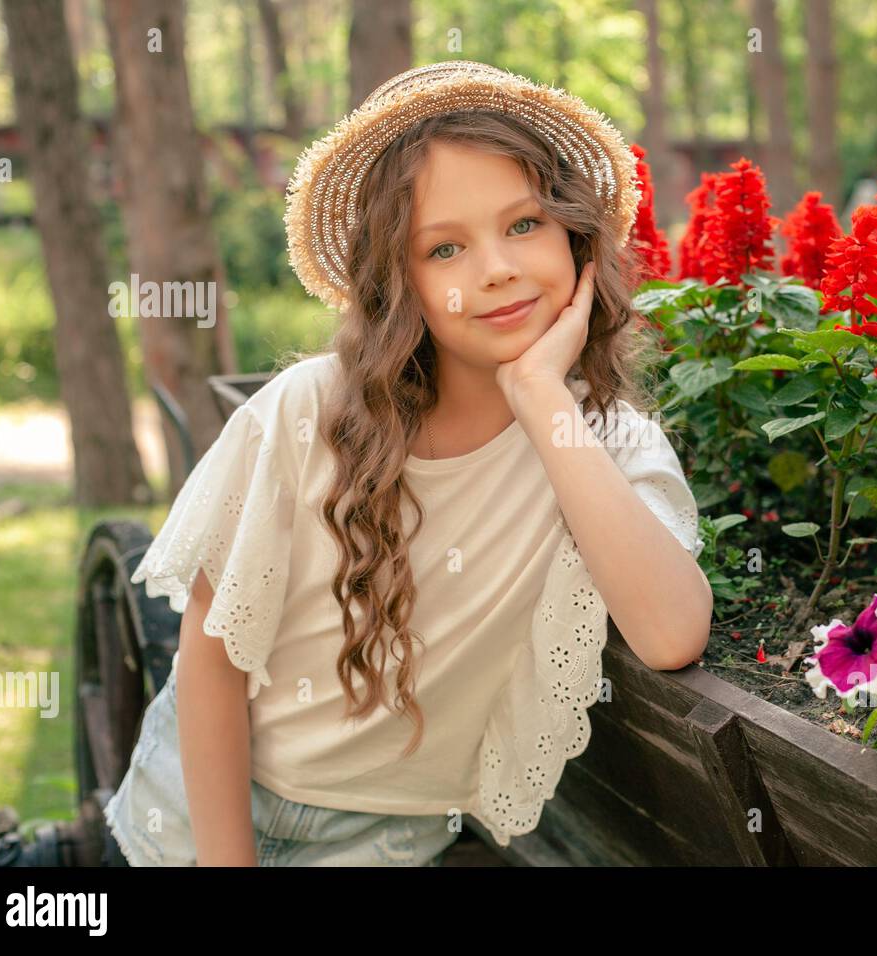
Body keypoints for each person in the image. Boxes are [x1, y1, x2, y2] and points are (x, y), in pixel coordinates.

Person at [97, 60, 711, 866]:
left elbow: (669, 635)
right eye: (445, 247)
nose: (495, 268)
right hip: (196, 816)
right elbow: (212, 662)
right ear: (400, 283)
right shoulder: (306, 413)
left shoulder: (607, 443)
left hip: (382, 844)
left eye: (524, 224)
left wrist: (539, 394)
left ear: (577, 237)